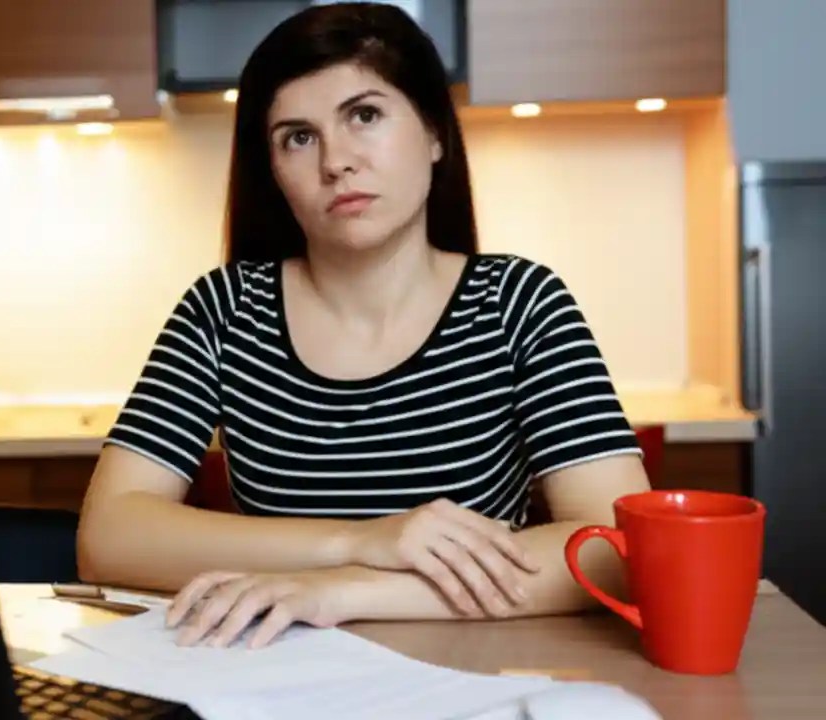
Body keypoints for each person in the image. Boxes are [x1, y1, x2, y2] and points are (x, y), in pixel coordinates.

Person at [76, 2, 650, 649]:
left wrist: (344, 591)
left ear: (435, 133)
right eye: (298, 135)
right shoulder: (224, 309)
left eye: (365, 116)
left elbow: (615, 545)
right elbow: (109, 537)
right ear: (272, 169)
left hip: (470, 676)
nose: (336, 160)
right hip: (273, 675)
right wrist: (360, 538)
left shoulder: (520, 302)